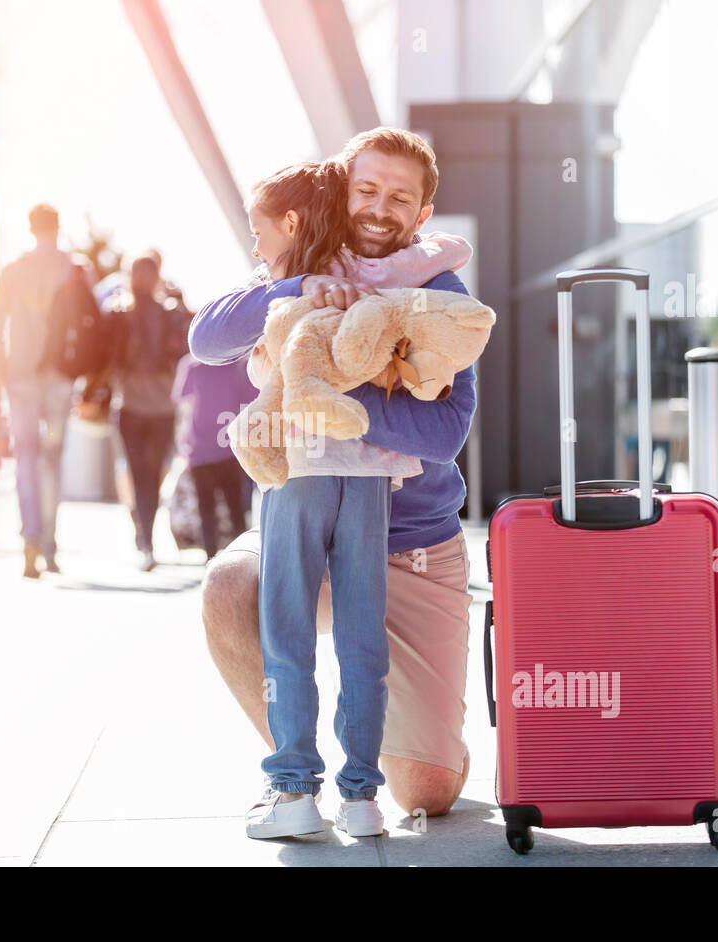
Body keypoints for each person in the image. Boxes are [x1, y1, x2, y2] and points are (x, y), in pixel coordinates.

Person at [190, 126, 480, 828]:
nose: (380, 209)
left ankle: (387, 759)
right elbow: (207, 339)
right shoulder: (305, 264)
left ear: (421, 216)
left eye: (399, 198)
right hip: (311, 512)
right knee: (232, 586)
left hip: (414, 543)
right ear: (341, 194)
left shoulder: (436, 289)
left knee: (428, 792)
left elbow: (444, 433)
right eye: (368, 190)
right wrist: (295, 289)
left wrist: (321, 393)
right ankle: (294, 779)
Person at [0, 203, 76, 578]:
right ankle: (51, 546)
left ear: (30, 227)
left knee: (25, 459)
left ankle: (31, 539)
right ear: (58, 226)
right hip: (59, 380)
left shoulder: (12, 272)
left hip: (21, 379)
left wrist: (5, 377)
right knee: (52, 461)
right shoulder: (71, 270)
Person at [107, 255, 191, 571]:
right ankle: (147, 536)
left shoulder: (119, 312)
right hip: (161, 404)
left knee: (137, 471)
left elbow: (110, 359)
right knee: (153, 473)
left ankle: (142, 532)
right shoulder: (171, 313)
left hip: (128, 402)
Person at [171, 353, 258, 561]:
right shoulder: (239, 366)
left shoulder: (191, 364)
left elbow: (179, 399)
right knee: (236, 505)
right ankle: (242, 557)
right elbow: (251, 399)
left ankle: (210, 558)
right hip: (230, 447)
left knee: (206, 507)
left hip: (199, 448)